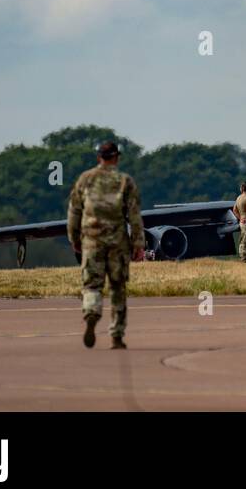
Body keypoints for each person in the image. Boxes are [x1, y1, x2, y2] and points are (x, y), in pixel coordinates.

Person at [67, 141, 145, 348]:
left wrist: (74, 238)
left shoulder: (86, 179)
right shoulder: (124, 181)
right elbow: (135, 215)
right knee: (118, 287)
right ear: (116, 157)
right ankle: (117, 335)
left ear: (98, 157)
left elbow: (74, 211)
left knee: (92, 285)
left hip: (92, 241)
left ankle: (92, 313)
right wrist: (138, 243)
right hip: (117, 242)